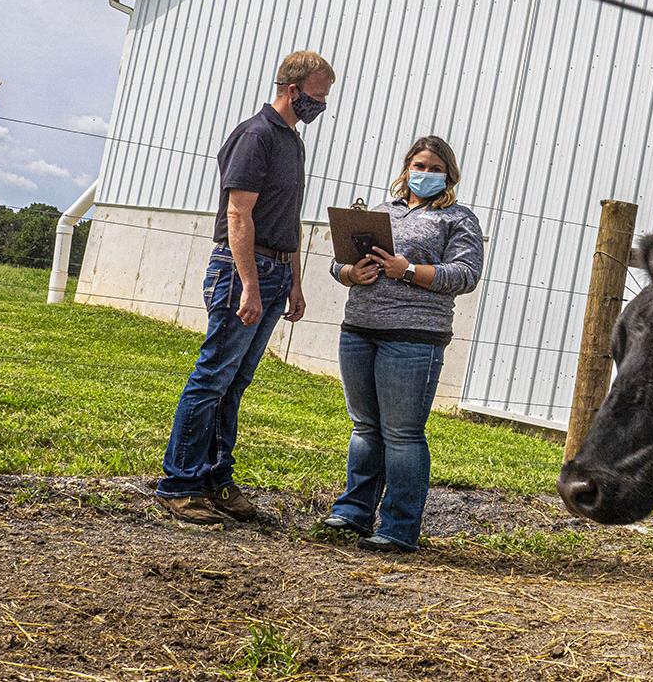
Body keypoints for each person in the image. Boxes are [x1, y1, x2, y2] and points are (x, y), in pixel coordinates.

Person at [155, 50, 335, 524]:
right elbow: (239, 214)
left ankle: (216, 479)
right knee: (212, 376)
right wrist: (250, 286)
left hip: (276, 269)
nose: (322, 105)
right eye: (318, 96)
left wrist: (294, 281)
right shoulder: (256, 136)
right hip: (242, 269)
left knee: (235, 381)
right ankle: (180, 483)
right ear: (293, 90)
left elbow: (288, 218)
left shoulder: (292, 143)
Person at [322, 136, 484, 552]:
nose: (424, 174)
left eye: (434, 168)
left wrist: (407, 270)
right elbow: (337, 261)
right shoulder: (379, 211)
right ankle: (354, 511)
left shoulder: (457, 219)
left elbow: (465, 275)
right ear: (406, 167)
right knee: (364, 428)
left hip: (414, 338)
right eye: (419, 165)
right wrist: (348, 273)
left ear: (449, 173)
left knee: (403, 434)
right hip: (360, 329)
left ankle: (398, 527)